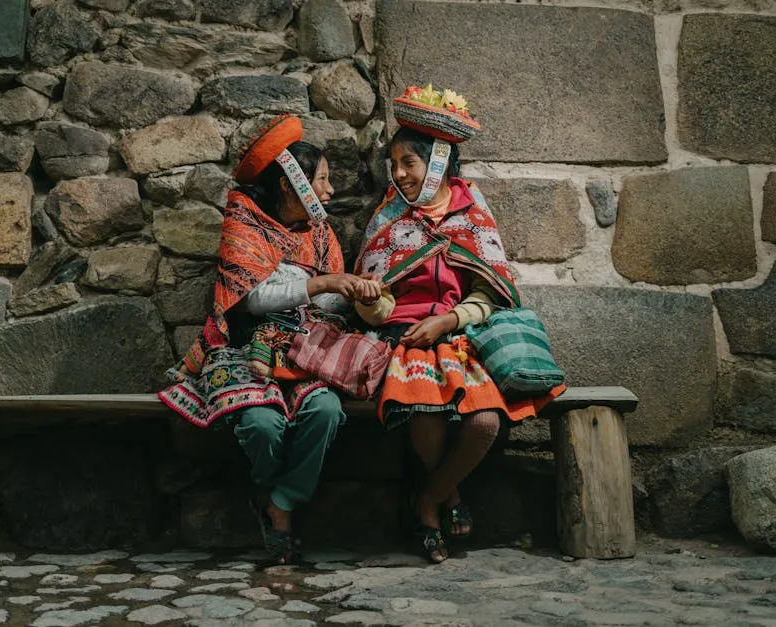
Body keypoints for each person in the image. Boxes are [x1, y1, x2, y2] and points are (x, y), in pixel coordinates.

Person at [354, 85, 564, 563]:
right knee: (425, 414)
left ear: (440, 161)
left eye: (409, 163)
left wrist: (448, 318)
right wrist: (371, 303)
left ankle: (430, 495)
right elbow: (378, 295)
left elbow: (492, 289)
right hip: (403, 339)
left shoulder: (472, 212)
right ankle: (440, 506)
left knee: (485, 423)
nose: (400, 174)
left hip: (461, 335)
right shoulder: (390, 215)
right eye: (395, 165)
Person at [159, 114, 381, 564]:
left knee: (325, 410)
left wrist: (358, 296)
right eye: (321, 180)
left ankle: (280, 500)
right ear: (288, 184)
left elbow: (332, 305)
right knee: (261, 425)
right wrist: (321, 284)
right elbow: (250, 297)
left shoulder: (320, 233)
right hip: (245, 348)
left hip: (305, 349)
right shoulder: (243, 221)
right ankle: (268, 489)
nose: (330, 192)